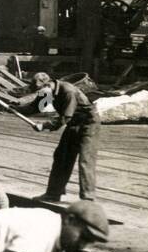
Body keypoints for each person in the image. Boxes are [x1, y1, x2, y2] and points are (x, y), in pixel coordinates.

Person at [32, 71, 101, 201]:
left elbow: (65, 118)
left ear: (48, 84)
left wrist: (45, 125)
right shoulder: (46, 91)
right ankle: (53, 194)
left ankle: (88, 199)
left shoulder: (68, 91)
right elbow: (35, 107)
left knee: (86, 161)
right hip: (73, 124)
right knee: (61, 157)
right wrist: (15, 108)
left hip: (88, 124)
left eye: (41, 91)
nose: (41, 95)